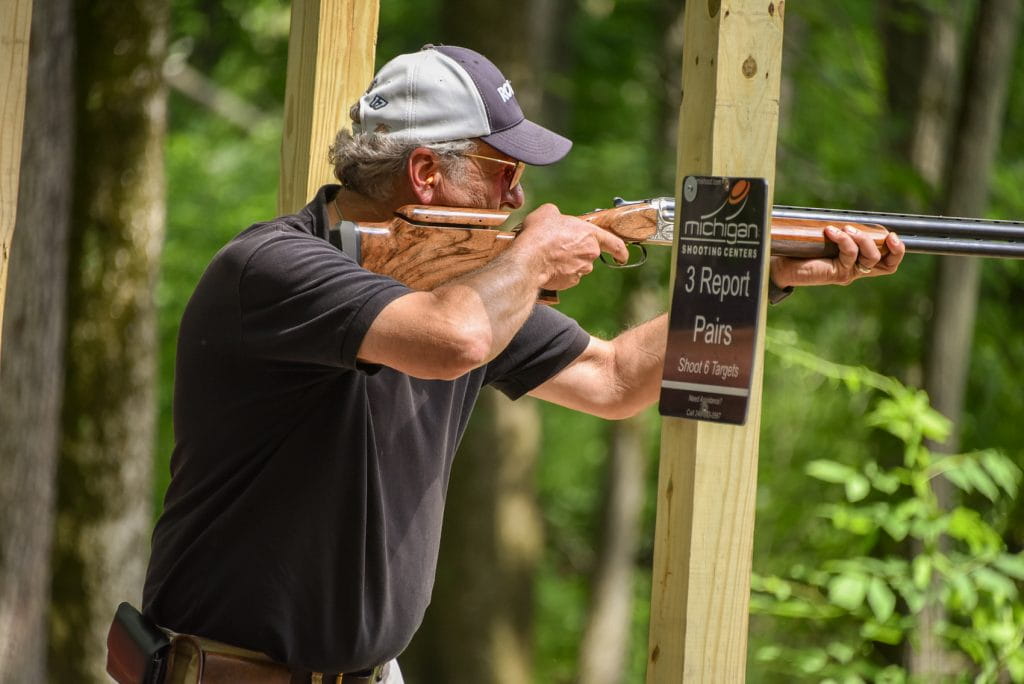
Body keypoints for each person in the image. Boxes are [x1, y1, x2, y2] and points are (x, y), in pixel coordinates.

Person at [142, 44, 905, 683]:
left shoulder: (456, 288)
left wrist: (761, 280)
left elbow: (616, 382)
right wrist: (535, 254)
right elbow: (453, 342)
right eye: (502, 170)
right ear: (424, 174)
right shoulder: (272, 267)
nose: (519, 192)